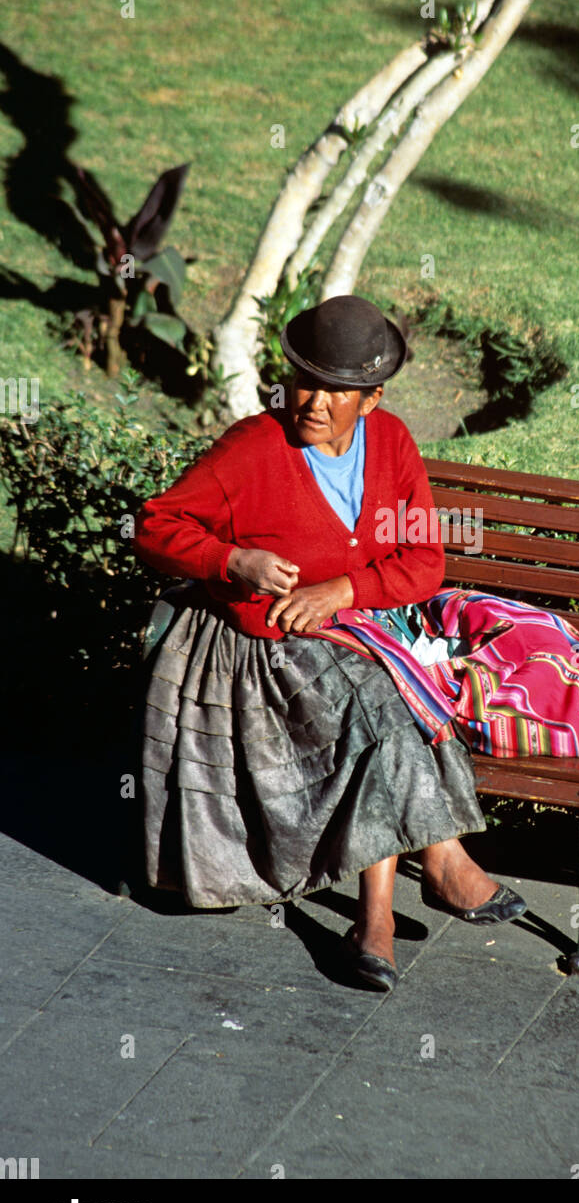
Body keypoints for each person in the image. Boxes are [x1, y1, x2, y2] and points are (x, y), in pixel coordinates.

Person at [132, 295, 526, 993]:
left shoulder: (394, 444)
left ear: (371, 398)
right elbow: (156, 527)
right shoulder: (253, 449)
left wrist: (339, 591)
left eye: (334, 391)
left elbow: (422, 564)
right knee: (379, 710)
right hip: (263, 653)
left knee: (382, 703)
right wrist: (234, 562)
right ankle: (435, 868)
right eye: (302, 381)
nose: (311, 402)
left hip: (357, 634)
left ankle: (377, 920)